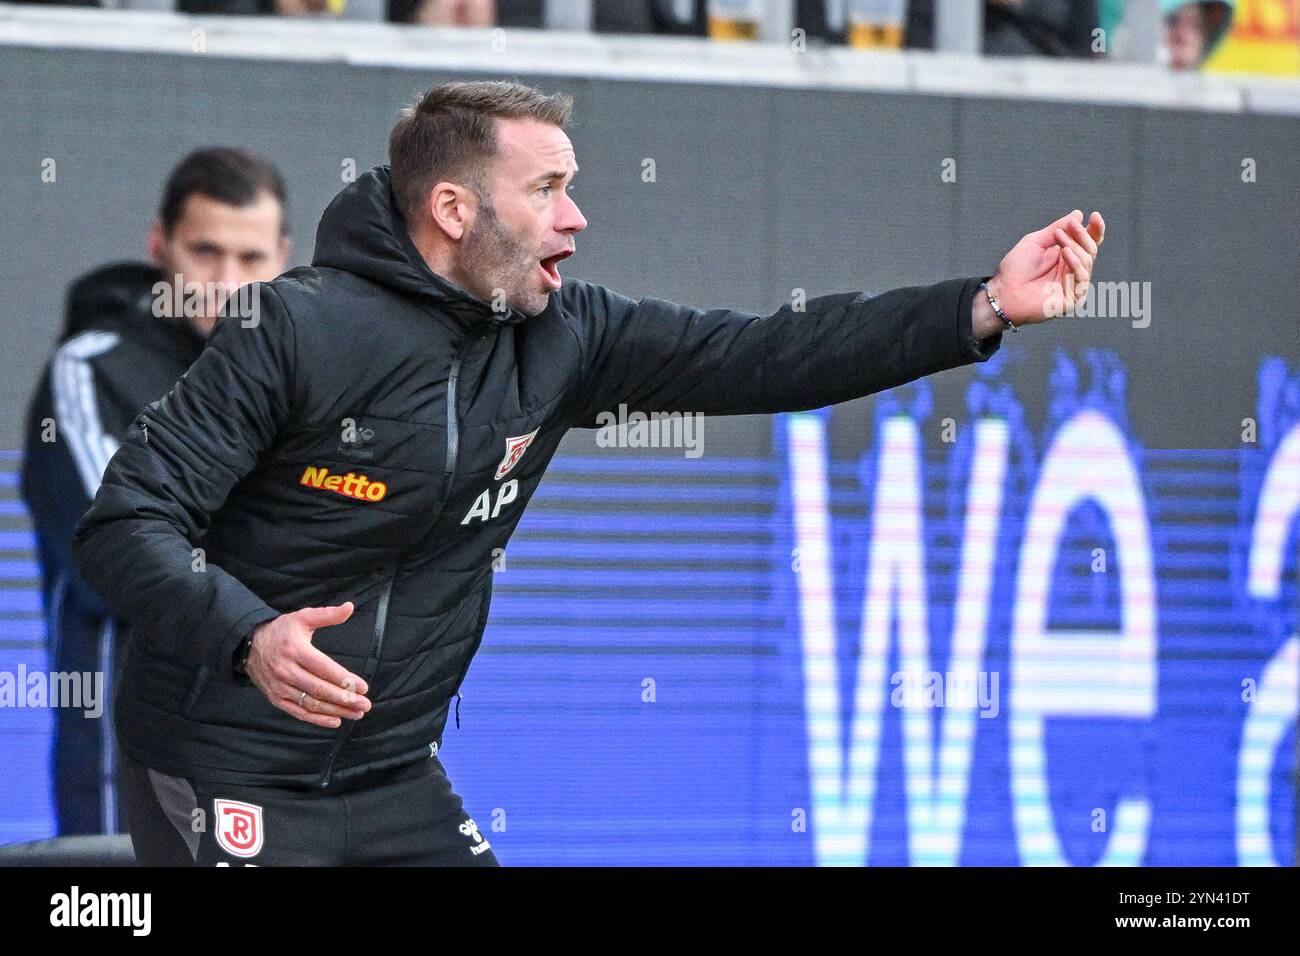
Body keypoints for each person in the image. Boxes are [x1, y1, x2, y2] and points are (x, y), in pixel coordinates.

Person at [73, 80, 1105, 866]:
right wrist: (249, 636)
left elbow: (768, 352)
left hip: (391, 773)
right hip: (218, 761)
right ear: (451, 208)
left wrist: (982, 305)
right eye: (549, 189)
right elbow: (123, 526)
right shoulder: (296, 328)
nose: (577, 219)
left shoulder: (567, 335)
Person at [20, 147, 290, 836]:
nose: (226, 281)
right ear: (158, 245)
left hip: (271, 735)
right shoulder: (92, 368)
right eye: (205, 251)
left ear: (284, 258)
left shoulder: (302, 375)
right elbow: (119, 554)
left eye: (252, 259)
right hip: (127, 739)